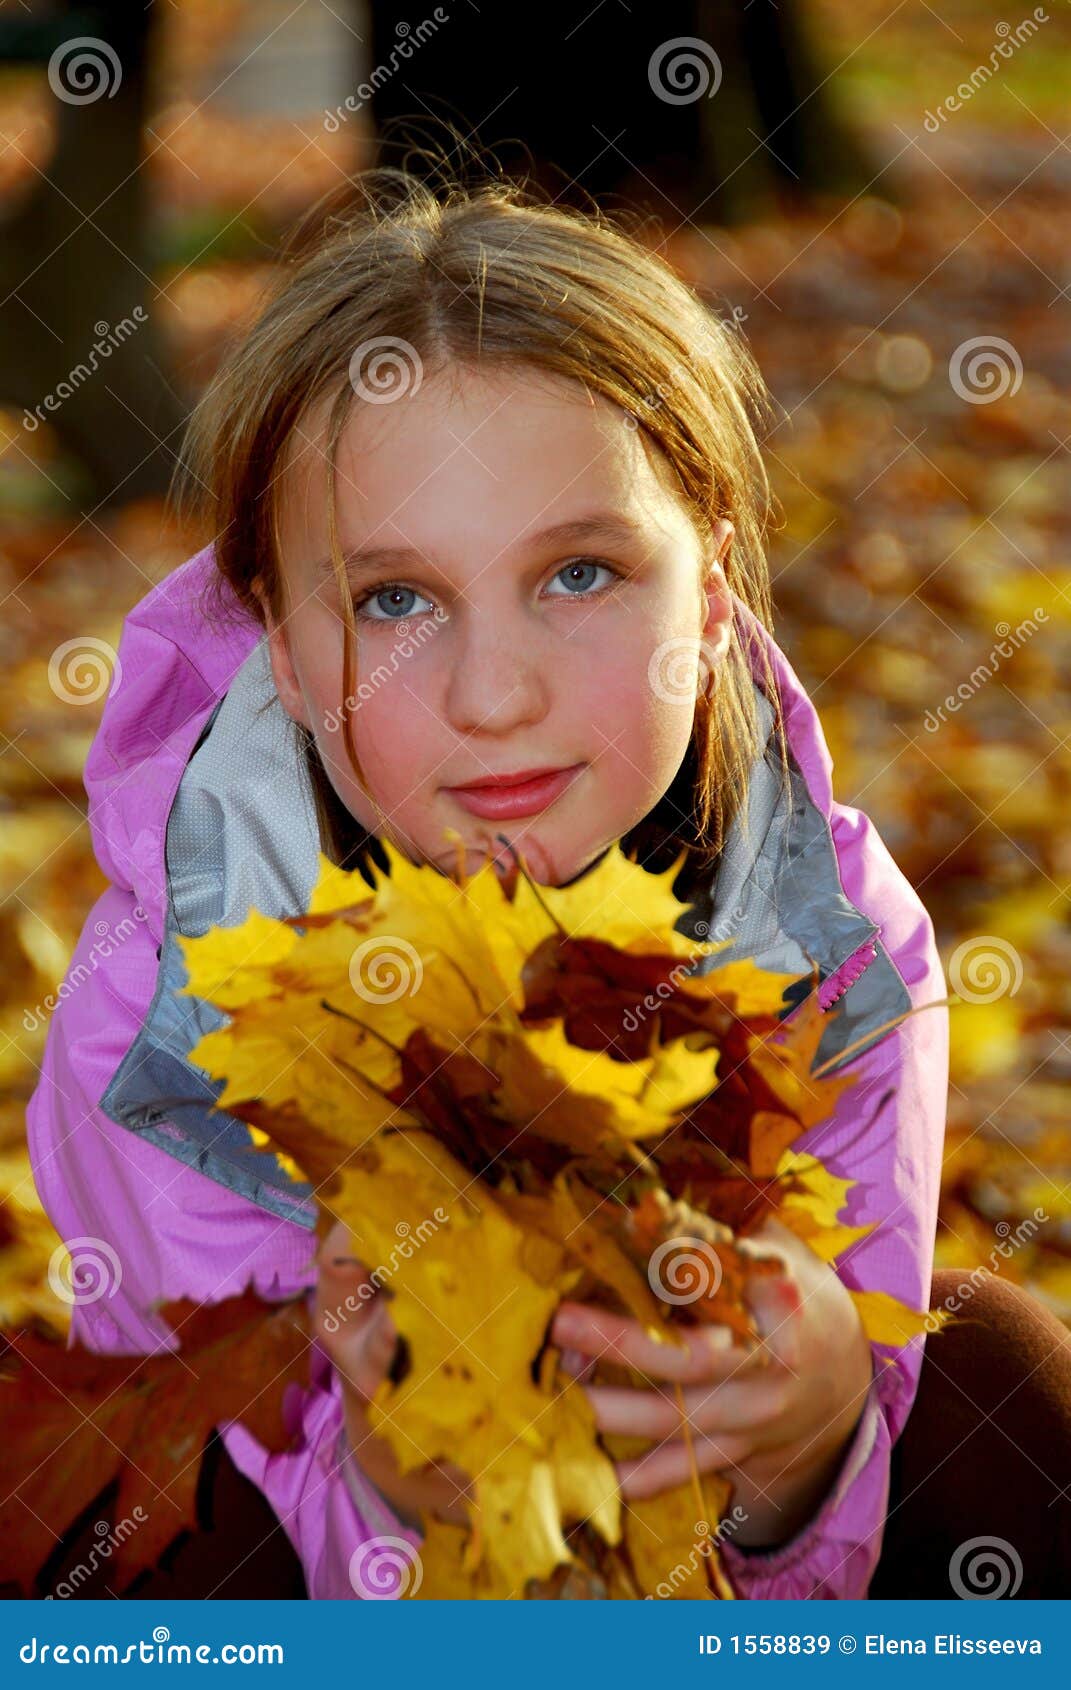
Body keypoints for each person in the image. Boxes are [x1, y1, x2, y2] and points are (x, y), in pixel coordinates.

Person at [28, 168, 957, 1601]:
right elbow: (211, 1500)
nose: (494, 692)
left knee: (1001, 1373)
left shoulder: (835, 942)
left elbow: (797, 1582)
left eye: (579, 574)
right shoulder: (161, 1013)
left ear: (709, 596)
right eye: (396, 600)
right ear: (280, 644)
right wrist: (396, 1491)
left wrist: (809, 1448)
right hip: (303, 1607)